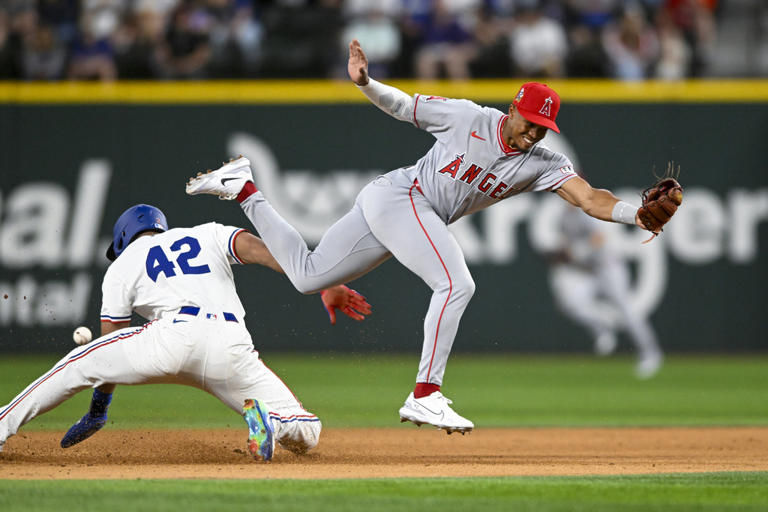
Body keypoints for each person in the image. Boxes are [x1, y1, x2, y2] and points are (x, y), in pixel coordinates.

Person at [185, 39, 666, 434]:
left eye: (544, 128)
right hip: (400, 197)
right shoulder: (468, 118)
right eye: (530, 123)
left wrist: (636, 216)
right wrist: (366, 83)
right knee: (457, 284)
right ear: (513, 110)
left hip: (401, 209)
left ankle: (243, 187)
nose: (535, 134)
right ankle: (426, 395)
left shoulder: (542, 163)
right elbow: (403, 106)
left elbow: (588, 198)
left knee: (308, 277)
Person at [0, 204, 371, 461]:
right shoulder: (207, 234)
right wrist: (322, 281)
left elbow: (109, 341)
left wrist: (99, 408)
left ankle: (2, 426)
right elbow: (263, 250)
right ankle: (273, 421)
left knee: (80, 361)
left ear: (123, 238)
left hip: (170, 339)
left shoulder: (123, 264)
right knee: (308, 432)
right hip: (232, 346)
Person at [545, 204, 664, 378]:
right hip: (588, 272)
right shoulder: (564, 217)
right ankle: (602, 326)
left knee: (627, 310)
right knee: (570, 303)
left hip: (609, 268)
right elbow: (566, 244)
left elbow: (600, 237)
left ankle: (651, 354)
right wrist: (561, 254)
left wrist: (581, 249)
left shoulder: (587, 210)